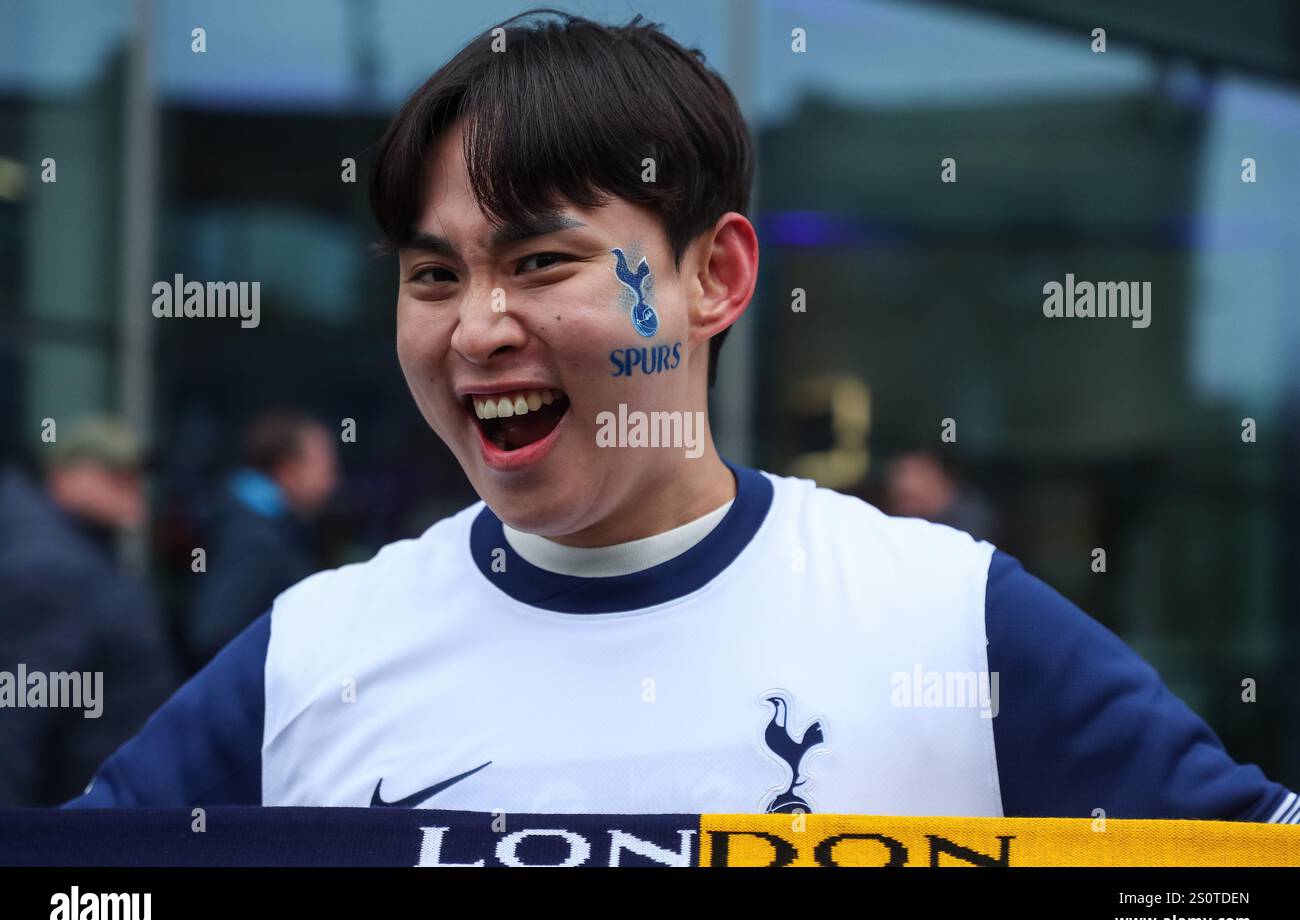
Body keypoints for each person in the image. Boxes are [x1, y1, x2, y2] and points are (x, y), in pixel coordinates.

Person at [66, 10, 1297, 825]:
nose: (476, 327)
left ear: (716, 277)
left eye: (541, 262)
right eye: (433, 275)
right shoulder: (313, 650)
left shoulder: (942, 614)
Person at [0, 416, 175, 805]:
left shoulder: (85, 553)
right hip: (78, 820)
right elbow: (14, 723)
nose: (132, 485)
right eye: (114, 473)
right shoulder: (51, 568)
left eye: (136, 474)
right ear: (62, 478)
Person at [185, 410, 338, 668]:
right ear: (288, 469)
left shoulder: (265, 528)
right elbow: (215, 636)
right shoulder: (256, 542)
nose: (333, 477)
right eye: (324, 462)